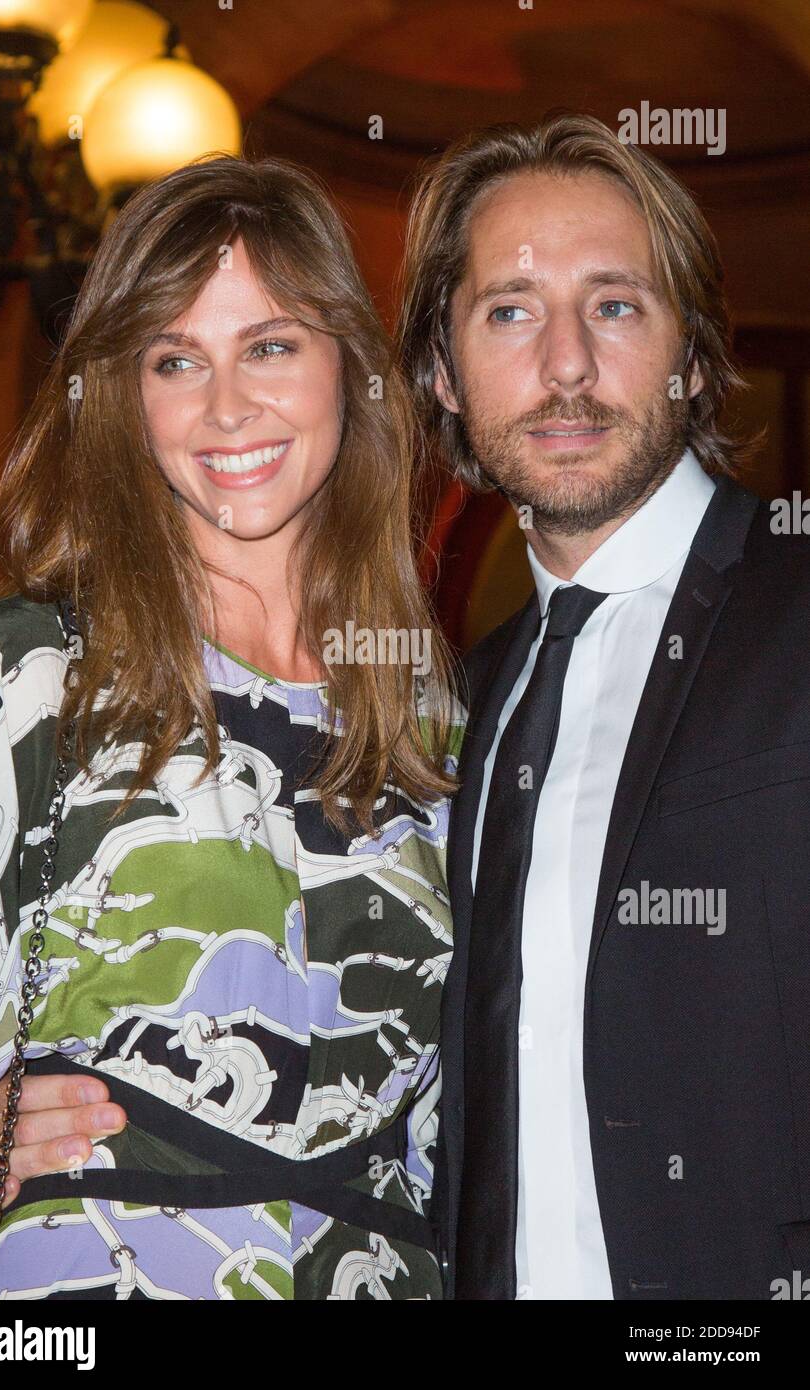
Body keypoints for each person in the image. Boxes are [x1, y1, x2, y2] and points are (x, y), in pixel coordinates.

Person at [0, 152, 464, 1300]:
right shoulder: (30, 663)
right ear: (126, 396)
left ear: (347, 368)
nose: (227, 405)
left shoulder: (428, 706)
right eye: (175, 360)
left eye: (269, 345)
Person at [396, 113, 810, 1300]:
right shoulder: (458, 703)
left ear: (688, 354)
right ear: (442, 371)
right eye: (510, 312)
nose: (566, 365)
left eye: (615, 305)